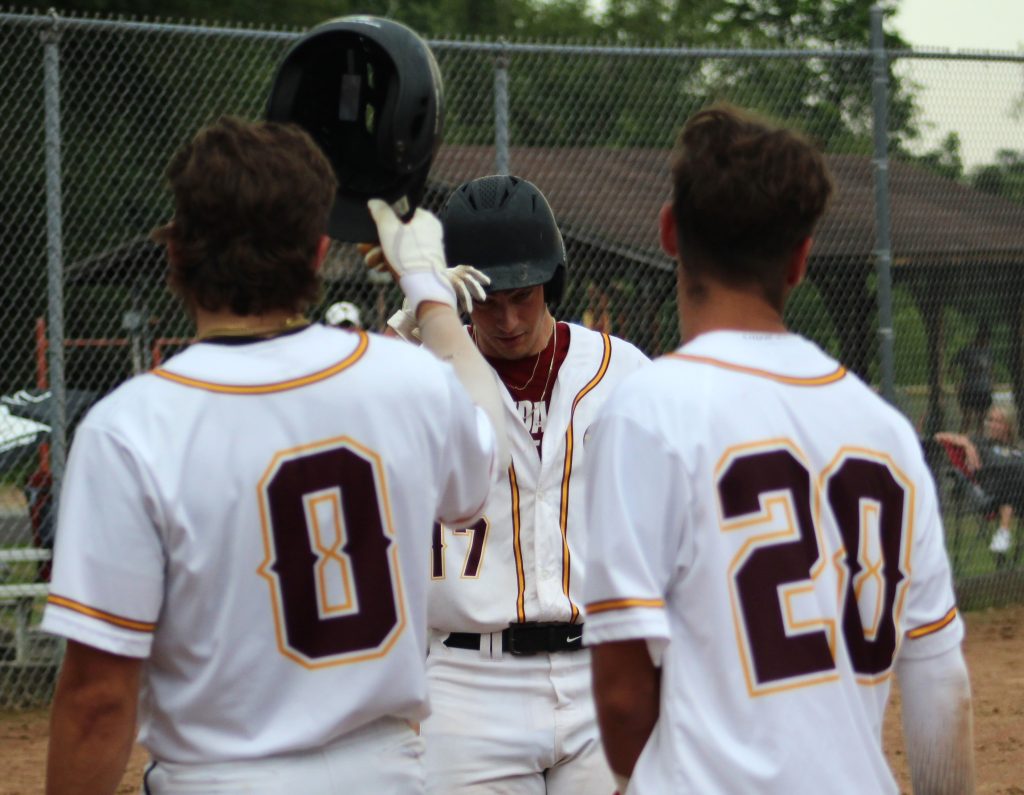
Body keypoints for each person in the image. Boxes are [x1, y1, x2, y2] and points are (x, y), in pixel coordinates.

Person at [41, 116, 508, 795]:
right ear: (320, 253)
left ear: (173, 252)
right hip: (386, 771)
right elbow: (482, 456)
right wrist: (427, 288)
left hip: (220, 777)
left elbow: (97, 698)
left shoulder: (129, 426)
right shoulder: (405, 381)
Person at [582, 104, 975, 795]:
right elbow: (941, 685)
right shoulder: (886, 432)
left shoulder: (648, 406)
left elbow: (620, 691)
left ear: (671, 232)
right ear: (799, 259)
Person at [381, 174, 649, 794]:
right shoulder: (420, 375)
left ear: (551, 282)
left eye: (522, 296)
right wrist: (413, 318)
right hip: (468, 680)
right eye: (487, 299)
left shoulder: (622, 371)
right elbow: (338, 422)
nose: (505, 319)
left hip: (597, 668)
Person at [936, 400, 1023, 565]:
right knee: (1010, 475)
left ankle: (1004, 533)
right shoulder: (979, 442)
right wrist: (967, 444)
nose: (992, 424)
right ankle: (1004, 531)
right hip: (989, 493)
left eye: (998, 421)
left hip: (1018, 492)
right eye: (990, 420)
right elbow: (939, 436)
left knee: (1015, 473)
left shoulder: (1016, 449)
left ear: (1008, 426)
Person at [952, 321, 994, 436]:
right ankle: (960, 442)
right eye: (985, 339)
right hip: (970, 389)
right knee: (967, 419)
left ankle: (979, 444)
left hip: (984, 389)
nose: (986, 342)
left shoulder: (988, 350)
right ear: (980, 337)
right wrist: (958, 382)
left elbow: (991, 368)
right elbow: (952, 366)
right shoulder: (968, 350)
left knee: (981, 419)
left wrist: (991, 382)